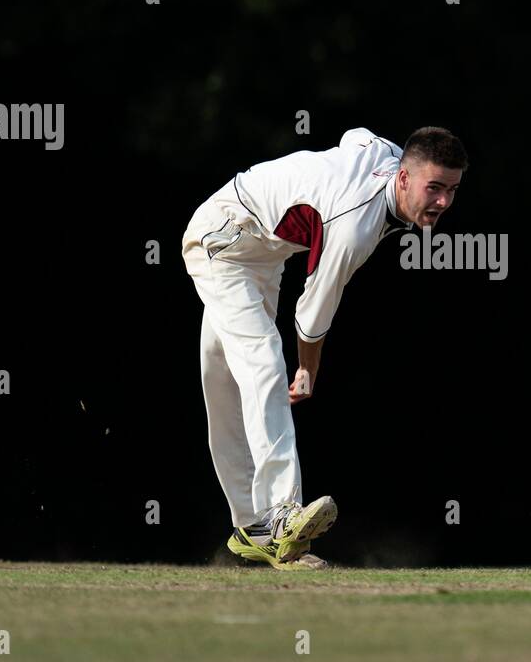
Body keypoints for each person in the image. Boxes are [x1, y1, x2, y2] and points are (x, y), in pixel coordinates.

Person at [182, 126, 467, 570]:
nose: (444, 202)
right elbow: (312, 315)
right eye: (435, 188)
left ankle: (252, 529)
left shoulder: (387, 156)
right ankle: (279, 516)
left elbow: (356, 136)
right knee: (264, 367)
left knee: (223, 381)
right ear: (405, 178)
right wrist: (308, 371)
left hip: (263, 252)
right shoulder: (355, 226)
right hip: (224, 239)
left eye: (451, 189)